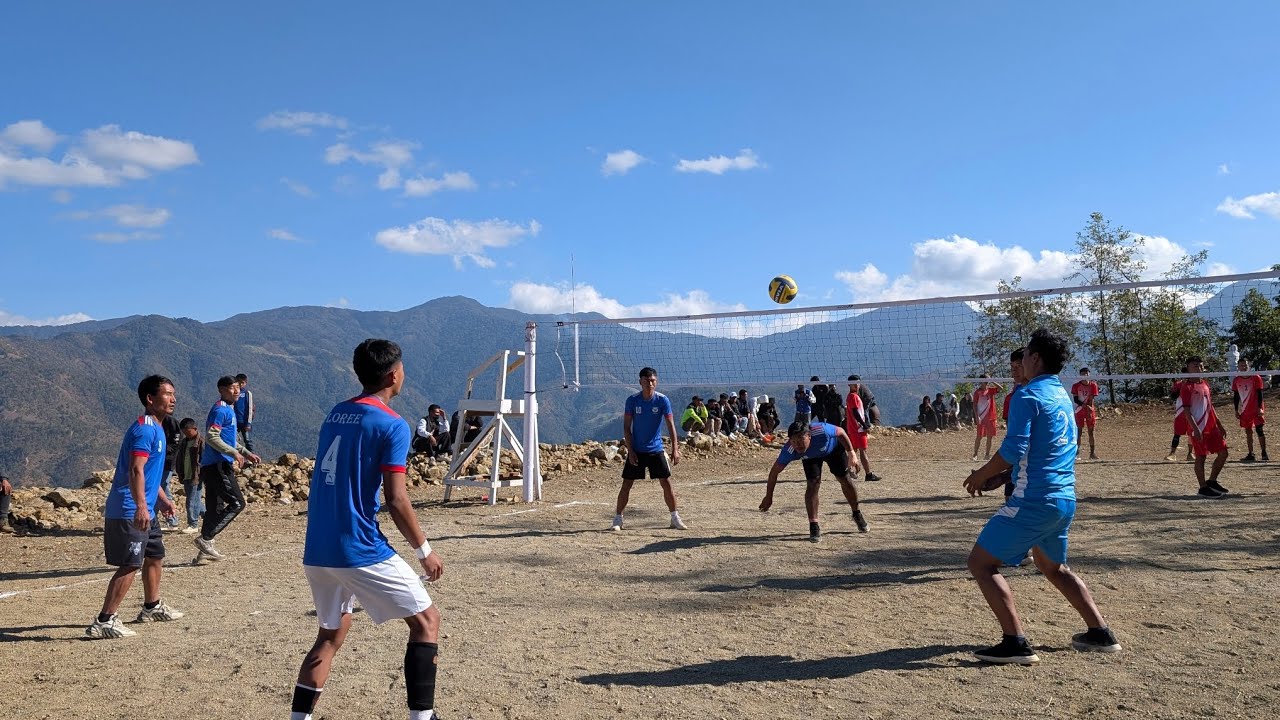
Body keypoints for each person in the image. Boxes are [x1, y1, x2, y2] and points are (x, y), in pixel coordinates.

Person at [292, 339, 446, 720]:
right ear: (394, 375)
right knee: (427, 621)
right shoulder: (392, 425)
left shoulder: (335, 413)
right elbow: (396, 499)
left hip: (318, 550)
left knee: (330, 635)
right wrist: (424, 551)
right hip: (358, 547)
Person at [962, 328, 1120, 664]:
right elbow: (1047, 450)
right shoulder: (1062, 395)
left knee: (980, 562)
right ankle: (1100, 633)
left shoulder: (1027, 395)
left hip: (1034, 500)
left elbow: (1013, 448)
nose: (1021, 363)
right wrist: (1005, 476)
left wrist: (981, 474)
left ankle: (1015, 643)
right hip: (1064, 499)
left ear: (1035, 358)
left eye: (1026, 356)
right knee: (1053, 567)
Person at [85, 375, 186, 639]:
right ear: (150, 399)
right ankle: (105, 620)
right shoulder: (144, 429)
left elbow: (150, 474)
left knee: (155, 555)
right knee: (131, 563)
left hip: (147, 508)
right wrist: (142, 505)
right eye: (166, 394)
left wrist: (161, 499)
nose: (173, 399)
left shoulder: (158, 428)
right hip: (130, 508)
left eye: (173, 394)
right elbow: (135, 469)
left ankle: (152, 606)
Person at [760, 420, 867, 542]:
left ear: (809, 436)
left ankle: (856, 512)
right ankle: (814, 525)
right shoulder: (790, 450)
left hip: (833, 449)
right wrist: (768, 497)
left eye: (801, 439)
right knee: (812, 484)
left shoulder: (822, 431)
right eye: (794, 441)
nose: (798, 444)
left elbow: (841, 432)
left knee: (844, 479)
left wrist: (851, 453)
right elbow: (774, 473)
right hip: (810, 457)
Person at [195, 375, 261, 563]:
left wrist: (246, 452)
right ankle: (205, 539)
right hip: (217, 464)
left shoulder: (229, 411)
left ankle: (204, 551)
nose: (237, 391)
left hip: (213, 464)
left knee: (214, 509)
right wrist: (234, 454)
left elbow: (229, 440)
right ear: (222, 390)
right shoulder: (220, 410)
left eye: (238, 388)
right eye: (232, 388)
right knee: (237, 503)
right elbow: (212, 437)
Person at [614, 367, 686, 531]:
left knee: (666, 483)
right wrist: (630, 451)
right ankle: (618, 519)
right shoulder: (632, 400)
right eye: (646, 381)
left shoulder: (662, 400)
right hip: (637, 450)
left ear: (656, 381)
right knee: (626, 484)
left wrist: (675, 448)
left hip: (656, 449)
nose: (650, 384)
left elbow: (670, 425)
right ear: (640, 382)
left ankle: (675, 518)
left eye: (652, 380)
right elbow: (626, 427)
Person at [1176, 356, 1231, 498]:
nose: (1198, 368)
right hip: (1198, 426)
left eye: (1200, 366)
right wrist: (1195, 428)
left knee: (1223, 452)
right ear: (1188, 368)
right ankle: (1203, 487)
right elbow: (1186, 410)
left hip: (1211, 426)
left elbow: (1210, 406)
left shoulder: (1205, 384)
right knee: (1201, 457)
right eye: (1195, 366)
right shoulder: (1186, 387)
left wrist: (1220, 424)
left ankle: (1212, 481)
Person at [1001, 349, 1027, 501]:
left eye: (1019, 366)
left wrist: (984, 474)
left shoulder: (1032, 394)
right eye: (1012, 367)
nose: (1014, 371)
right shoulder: (1013, 396)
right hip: (1018, 450)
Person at [1232, 358, 1269, 463]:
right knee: (1248, 431)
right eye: (1241, 366)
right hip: (1245, 409)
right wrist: (1236, 410)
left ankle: (1264, 452)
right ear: (1238, 367)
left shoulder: (1255, 377)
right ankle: (1251, 453)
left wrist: (1260, 408)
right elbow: (1236, 396)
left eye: (1245, 365)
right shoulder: (1236, 379)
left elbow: (1260, 393)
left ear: (1249, 366)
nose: (1243, 367)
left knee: (1259, 430)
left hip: (1256, 408)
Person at [845, 375, 881, 482]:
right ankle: (868, 474)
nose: (856, 385)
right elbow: (856, 413)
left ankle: (847, 471)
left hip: (853, 428)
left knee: (853, 450)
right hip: (858, 429)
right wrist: (865, 425)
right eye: (854, 383)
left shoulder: (852, 396)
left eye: (858, 383)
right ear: (849, 384)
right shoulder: (853, 397)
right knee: (862, 451)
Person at [173, 417, 205, 533]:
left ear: (194, 429)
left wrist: (202, 472)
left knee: (191, 500)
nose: (186, 434)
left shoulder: (200, 442)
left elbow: (204, 459)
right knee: (194, 499)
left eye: (188, 431)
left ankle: (193, 524)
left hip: (195, 475)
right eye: (184, 432)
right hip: (185, 474)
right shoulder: (184, 443)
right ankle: (208, 515)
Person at [1164, 365, 1194, 462]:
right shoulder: (1178, 384)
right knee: (1177, 433)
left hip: (1192, 412)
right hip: (1180, 412)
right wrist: (1180, 387)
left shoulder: (1195, 384)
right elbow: (1173, 396)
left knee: (1191, 434)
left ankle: (1190, 453)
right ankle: (1172, 453)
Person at [1071, 367, 1101, 460]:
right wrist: (1084, 406)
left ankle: (1092, 453)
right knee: (1079, 431)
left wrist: (1089, 409)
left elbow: (1091, 399)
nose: (1085, 376)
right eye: (1083, 374)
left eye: (1087, 374)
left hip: (1089, 410)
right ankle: (1077, 453)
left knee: (1091, 431)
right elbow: (1076, 399)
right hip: (1080, 410)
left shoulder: (1093, 385)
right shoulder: (1076, 386)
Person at [158, 413, 182, 529]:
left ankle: (172, 518)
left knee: (162, 487)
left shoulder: (170, 422)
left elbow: (176, 442)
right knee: (160, 487)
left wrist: (163, 449)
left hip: (167, 462)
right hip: (157, 462)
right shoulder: (154, 421)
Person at [971, 375, 1001, 461]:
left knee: (989, 437)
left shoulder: (991, 390)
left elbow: (1000, 388)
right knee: (979, 436)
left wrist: (992, 380)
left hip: (991, 417)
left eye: (988, 380)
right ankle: (975, 454)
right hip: (982, 417)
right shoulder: (977, 392)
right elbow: (974, 405)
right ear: (981, 381)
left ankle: (987, 455)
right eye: (985, 380)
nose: (987, 382)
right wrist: (977, 417)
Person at [233, 373, 256, 452]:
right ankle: (235, 457)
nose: (240, 384)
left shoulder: (247, 393)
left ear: (246, 383)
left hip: (245, 422)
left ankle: (251, 458)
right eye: (238, 382)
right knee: (233, 440)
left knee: (248, 440)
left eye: (242, 382)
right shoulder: (233, 393)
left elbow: (250, 408)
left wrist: (249, 423)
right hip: (234, 421)